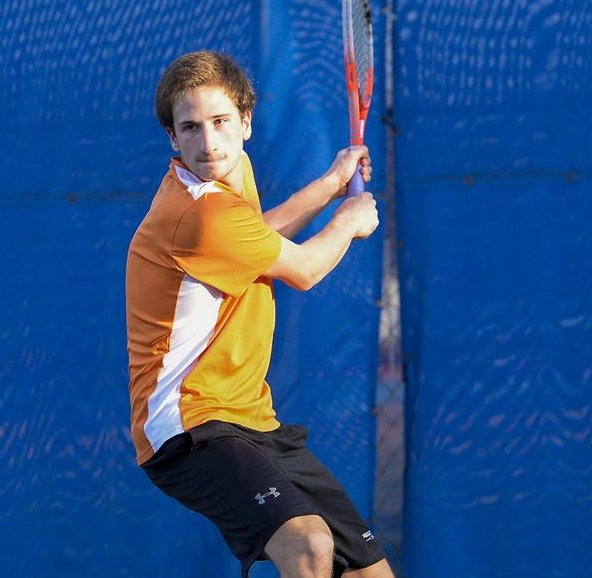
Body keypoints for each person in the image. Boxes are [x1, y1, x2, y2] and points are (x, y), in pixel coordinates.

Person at [124, 50, 393, 578]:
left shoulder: (229, 177)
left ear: (245, 123)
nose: (209, 142)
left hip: (252, 418)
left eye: (221, 123)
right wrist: (349, 219)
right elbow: (306, 269)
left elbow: (255, 238)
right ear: (173, 140)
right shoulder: (199, 210)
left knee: (370, 573)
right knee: (309, 543)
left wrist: (333, 181)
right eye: (191, 129)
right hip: (191, 427)